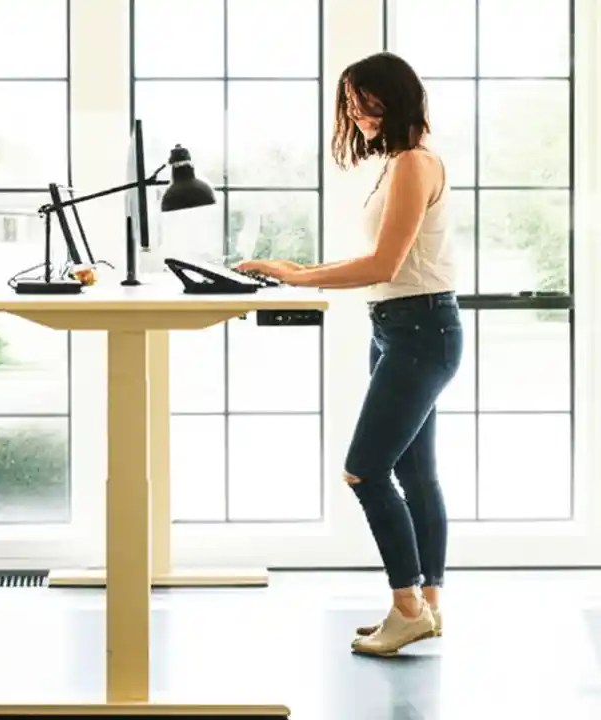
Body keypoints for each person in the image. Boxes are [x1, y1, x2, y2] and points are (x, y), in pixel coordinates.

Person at [236, 51, 463, 656]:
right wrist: (300, 271)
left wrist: (297, 276)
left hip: (420, 331)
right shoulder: (397, 163)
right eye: (352, 103)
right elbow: (384, 266)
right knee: (416, 472)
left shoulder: (414, 163)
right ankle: (428, 607)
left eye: (368, 102)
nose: (358, 113)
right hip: (401, 328)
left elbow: (383, 265)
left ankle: (407, 606)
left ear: (397, 98)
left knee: (365, 470)